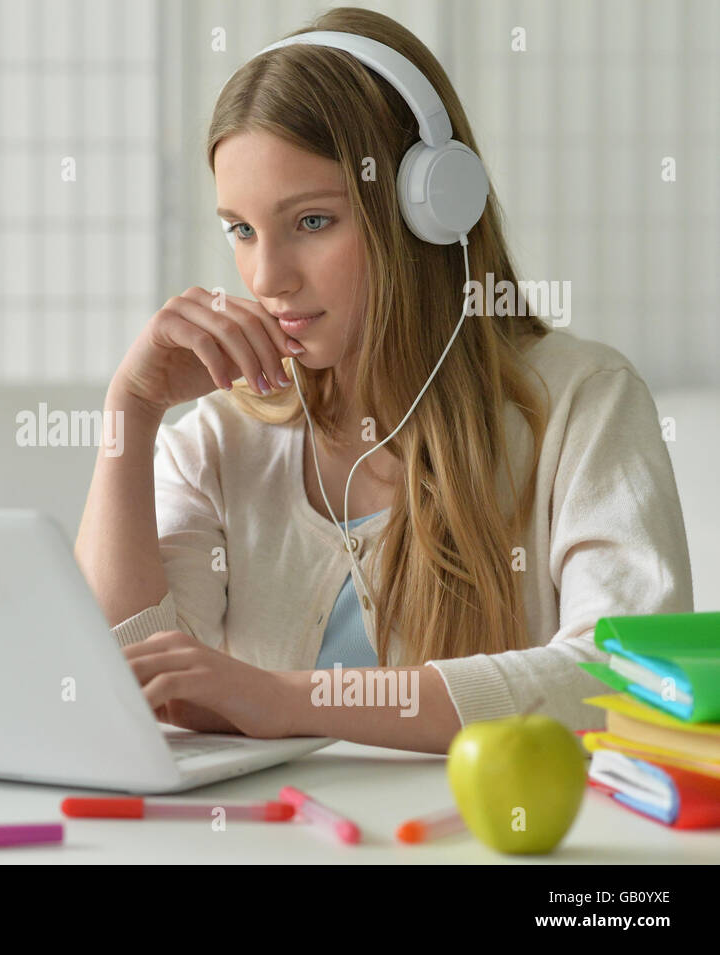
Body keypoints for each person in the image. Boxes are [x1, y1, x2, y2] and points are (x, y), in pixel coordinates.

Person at [72, 7, 692, 755]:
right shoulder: (216, 442)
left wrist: (287, 698)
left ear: (428, 211)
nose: (267, 277)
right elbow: (126, 690)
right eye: (241, 229)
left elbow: (622, 679)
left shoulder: (584, 401)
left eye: (310, 222)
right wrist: (130, 414)